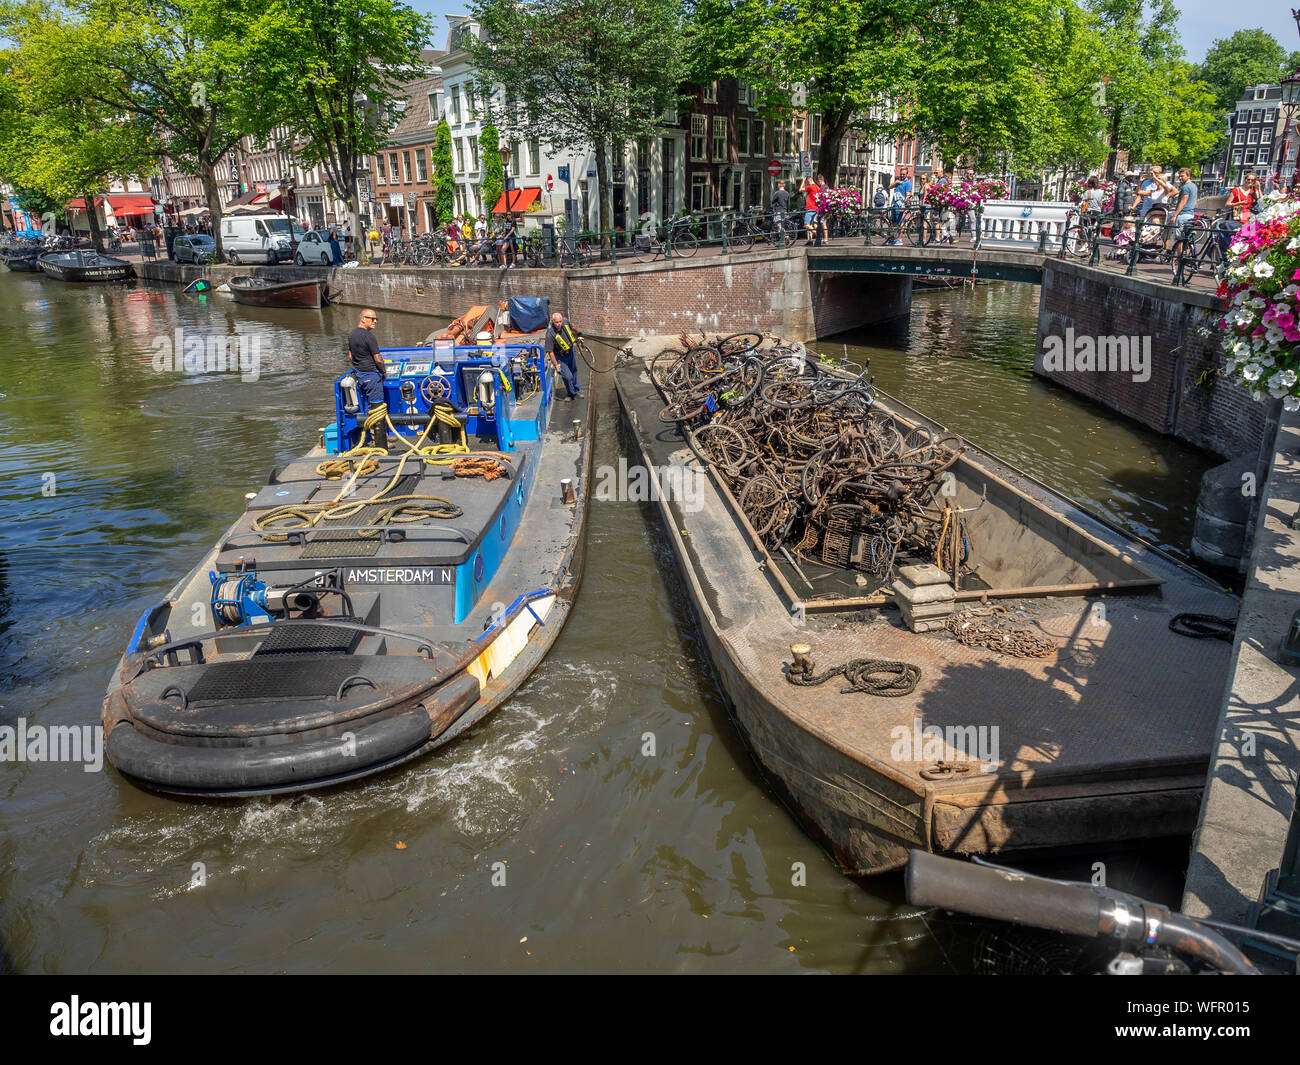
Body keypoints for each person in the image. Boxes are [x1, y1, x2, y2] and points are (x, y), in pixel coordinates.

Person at [348, 309, 388, 449]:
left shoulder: (352, 334)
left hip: (360, 374)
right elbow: (377, 358)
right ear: (363, 319)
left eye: (376, 319)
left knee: (368, 407)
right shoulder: (369, 337)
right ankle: (380, 442)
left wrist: (359, 366)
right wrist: (383, 372)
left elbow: (351, 357)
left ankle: (376, 437)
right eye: (372, 319)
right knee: (377, 408)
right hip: (372, 375)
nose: (375, 321)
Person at [544, 311, 583, 399]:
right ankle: (571, 394)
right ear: (552, 322)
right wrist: (556, 365)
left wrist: (579, 333)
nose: (559, 324)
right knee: (568, 376)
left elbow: (572, 327)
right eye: (556, 322)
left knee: (574, 371)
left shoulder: (565, 321)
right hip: (560, 357)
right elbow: (550, 352)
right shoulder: (550, 334)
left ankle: (576, 391)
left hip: (570, 352)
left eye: (560, 321)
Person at [1166, 167, 1198, 255]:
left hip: (1183, 215)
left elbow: (1183, 202)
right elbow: (1195, 201)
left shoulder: (1186, 187)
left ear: (1188, 176)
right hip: (1190, 214)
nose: (1180, 178)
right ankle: (1186, 258)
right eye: (1179, 176)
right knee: (1186, 239)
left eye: (1182, 176)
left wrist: (1175, 215)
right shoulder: (1194, 186)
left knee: (1179, 239)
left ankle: (1180, 260)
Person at [800, 176, 820, 242]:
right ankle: (810, 241)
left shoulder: (810, 186)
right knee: (811, 225)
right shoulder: (817, 187)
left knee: (806, 225)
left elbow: (800, 189)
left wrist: (803, 181)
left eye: (806, 182)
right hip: (816, 208)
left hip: (810, 208)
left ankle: (817, 234)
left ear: (808, 181)